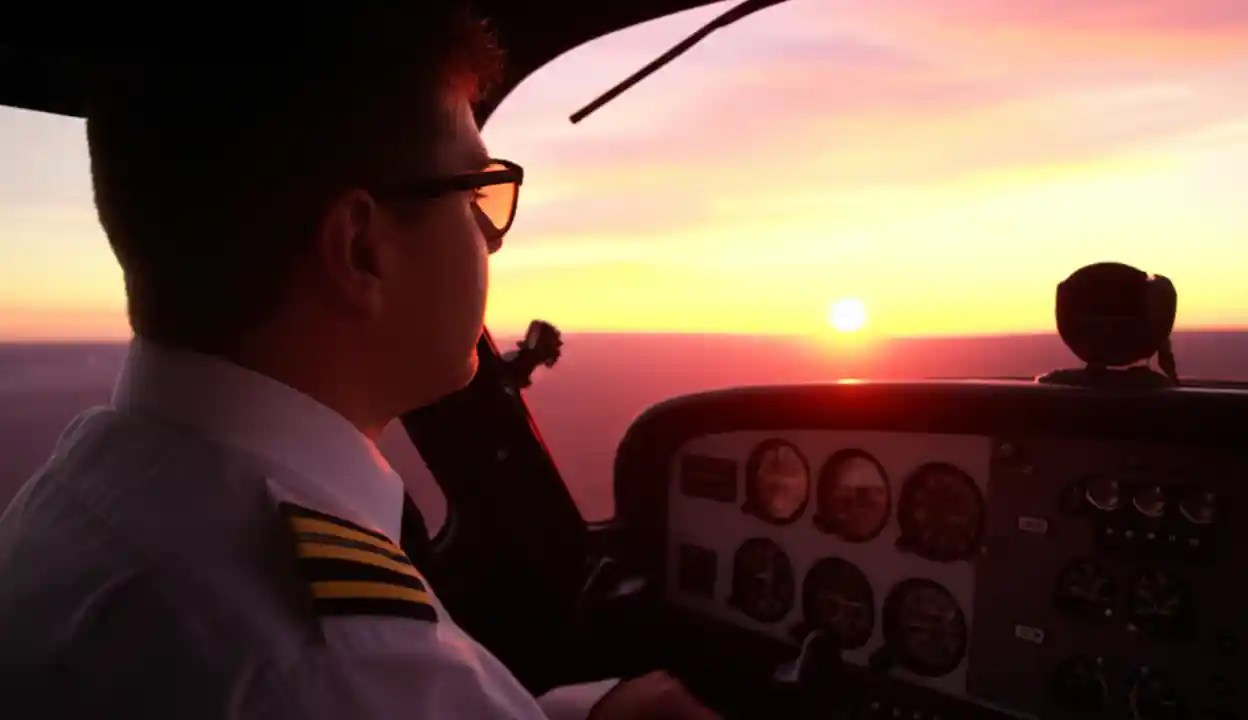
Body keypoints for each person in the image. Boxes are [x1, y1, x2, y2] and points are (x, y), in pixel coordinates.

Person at [0, 4, 717, 719]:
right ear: (361, 248)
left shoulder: (80, 495)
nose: (490, 238)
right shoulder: (333, 665)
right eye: (473, 193)